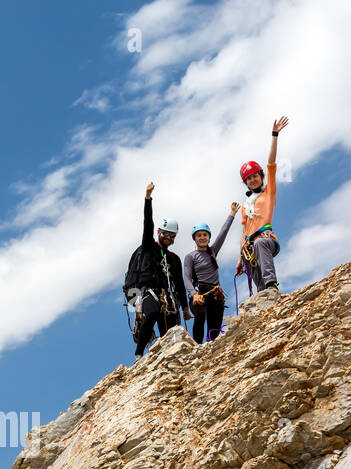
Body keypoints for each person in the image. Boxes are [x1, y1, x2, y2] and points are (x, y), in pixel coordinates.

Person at [124, 182, 187, 357]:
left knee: (170, 326)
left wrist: (186, 309)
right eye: (165, 233)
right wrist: (148, 198)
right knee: (152, 313)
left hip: (168, 296)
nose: (168, 237)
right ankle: (138, 354)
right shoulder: (148, 247)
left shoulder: (174, 259)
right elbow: (147, 223)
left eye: (171, 235)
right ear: (159, 232)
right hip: (147, 292)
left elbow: (179, 283)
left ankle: (170, 355)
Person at [235, 116, 290, 294]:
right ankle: (264, 298)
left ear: (261, 176)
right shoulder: (245, 206)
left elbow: (271, 164)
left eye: (254, 176)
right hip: (249, 247)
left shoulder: (269, 192)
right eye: (248, 179)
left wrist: (274, 135)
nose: (252, 180)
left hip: (266, 240)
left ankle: (272, 284)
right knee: (259, 288)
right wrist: (239, 259)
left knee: (260, 246)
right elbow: (244, 234)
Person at [184, 203, 238, 343]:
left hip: (215, 293)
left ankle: (212, 349)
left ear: (208, 237)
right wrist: (194, 294)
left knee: (215, 326)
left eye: (205, 235)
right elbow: (187, 278)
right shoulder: (190, 256)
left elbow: (223, 233)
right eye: (199, 235)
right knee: (200, 316)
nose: (202, 237)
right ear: (194, 238)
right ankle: (197, 346)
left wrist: (231, 214)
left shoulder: (212, 251)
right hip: (199, 292)